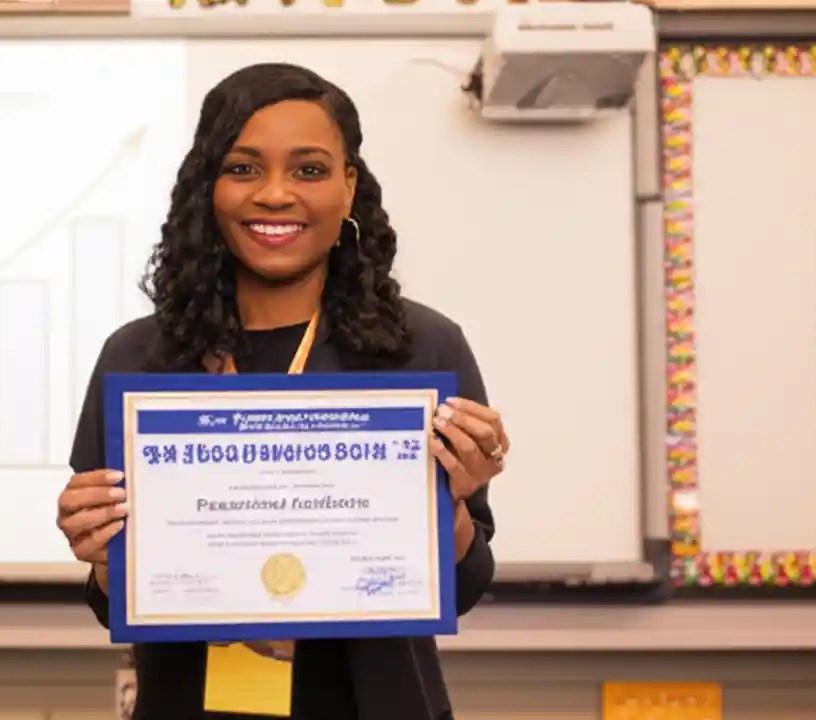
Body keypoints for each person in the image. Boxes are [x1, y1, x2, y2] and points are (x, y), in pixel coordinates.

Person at [57, 61, 507, 720]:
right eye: (243, 168)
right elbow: (112, 599)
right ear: (208, 187)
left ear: (349, 186)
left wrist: (454, 505)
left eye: (309, 170)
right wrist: (103, 554)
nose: (274, 194)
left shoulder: (421, 349)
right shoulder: (140, 358)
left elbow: (463, 586)